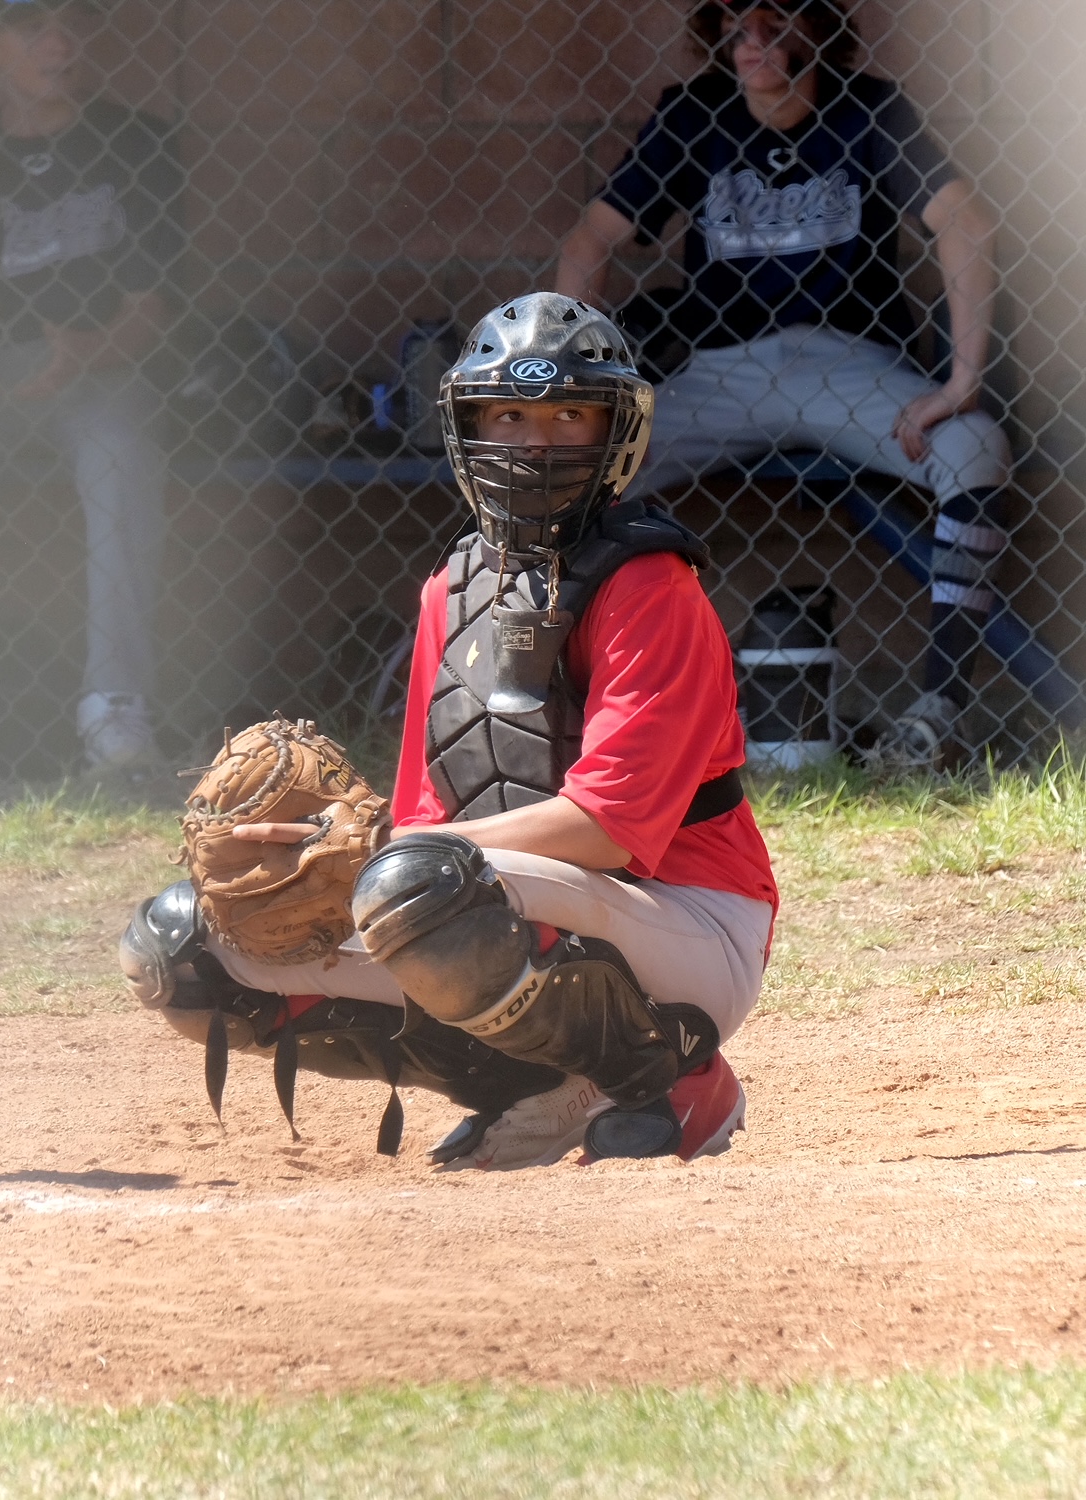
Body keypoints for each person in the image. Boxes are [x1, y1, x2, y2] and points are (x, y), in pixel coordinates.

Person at [121, 292, 778, 1171]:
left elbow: (607, 831)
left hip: (690, 923)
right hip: (511, 896)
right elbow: (427, 817)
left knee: (415, 879)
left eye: (568, 416)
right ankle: (527, 1090)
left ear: (614, 432)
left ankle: (663, 1079)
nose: (536, 444)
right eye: (508, 415)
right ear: (467, 427)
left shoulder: (652, 588)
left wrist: (381, 853)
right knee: (187, 952)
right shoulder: (453, 591)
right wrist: (323, 856)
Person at [555, 0, 1012, 769]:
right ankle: (560, 710)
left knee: (973, 447)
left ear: (820, 29)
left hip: (848, 361)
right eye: (735, 20)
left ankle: (938, 716)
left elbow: (966, 220)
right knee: (569, 468)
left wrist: (962, 380)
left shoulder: (868, 106)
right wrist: (585, 372)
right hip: (719, 367)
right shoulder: (695, 110)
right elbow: (591, 237)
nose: (752, 40)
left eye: (775, 20)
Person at [0, 0, 184, 772]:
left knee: (119, 451)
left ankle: (114, 707)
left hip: (97, 376)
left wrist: (87, 349)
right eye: (30, 28)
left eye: (69, 24)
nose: (59, 43)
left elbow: (151, 309)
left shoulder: (136, 140)